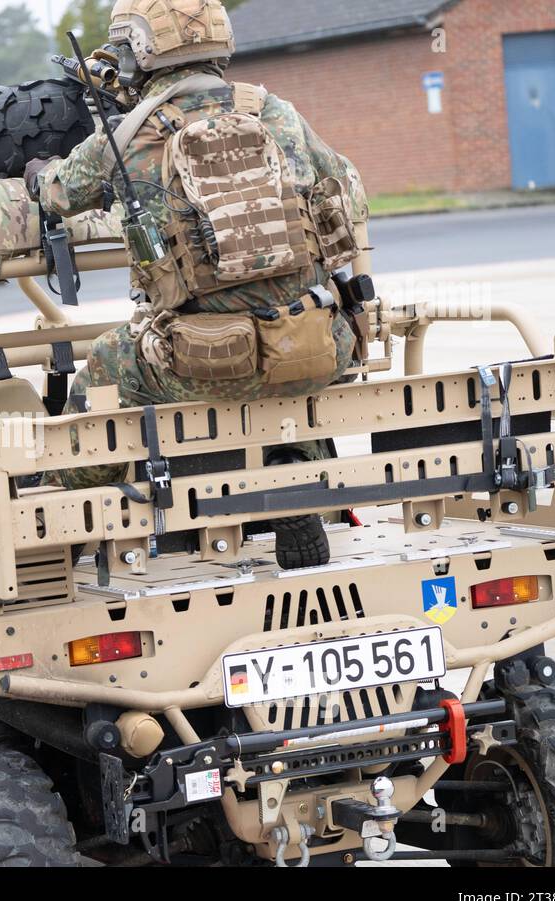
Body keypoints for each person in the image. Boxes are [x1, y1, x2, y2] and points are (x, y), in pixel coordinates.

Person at [26, 0, 371, 569]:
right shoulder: (274, 112)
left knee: (111, 359)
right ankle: (291, 467)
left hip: (208, 360)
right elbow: (348, 190)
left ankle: (64, 511)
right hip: (319, 344)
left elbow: (58, 194)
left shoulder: (131, 133)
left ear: (140, 49)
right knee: (279, 373)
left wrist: (38, 172)